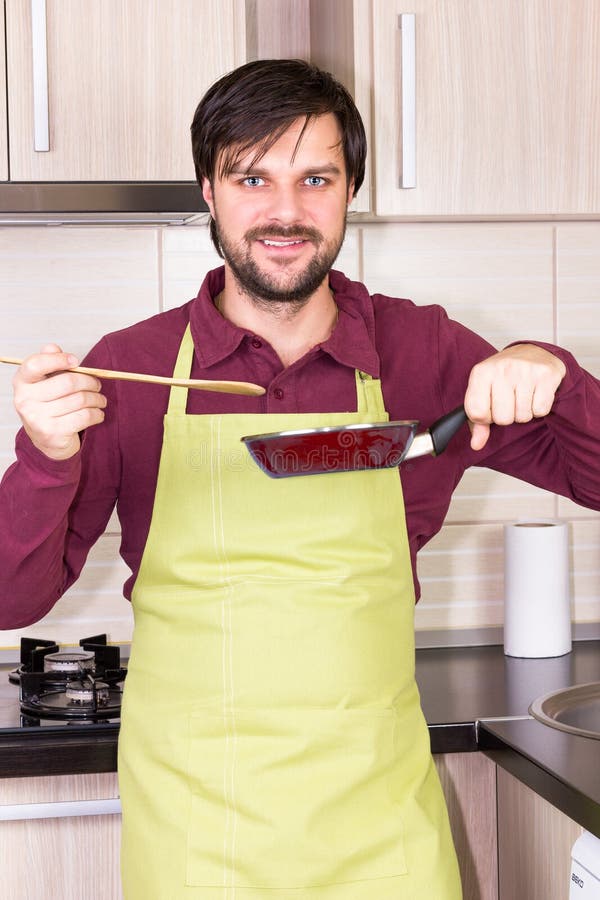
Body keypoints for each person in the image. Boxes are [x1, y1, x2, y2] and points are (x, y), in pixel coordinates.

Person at [1, 58, 600, 899]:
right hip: (195, 838)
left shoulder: (424, 354)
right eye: (253, 177)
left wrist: (553, 373)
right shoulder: (131, 371)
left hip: (380, 837)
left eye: (315, 177)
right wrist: (45, 457)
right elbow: (10, 600)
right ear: (209, 191)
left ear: (350, 189)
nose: (286, 211)